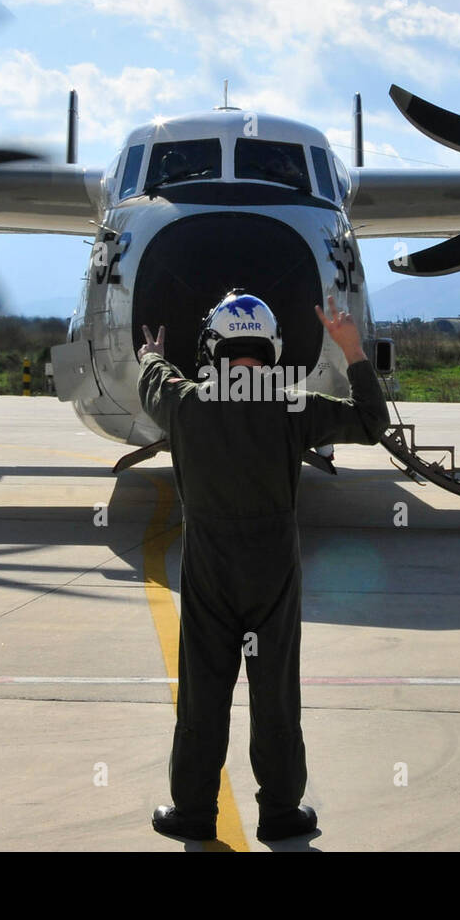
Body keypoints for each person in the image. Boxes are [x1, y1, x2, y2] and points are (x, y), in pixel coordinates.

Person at [137, 290, 390, 842]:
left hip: (208, 570)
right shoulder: (293, 404)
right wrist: (352, 350)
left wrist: (153, 353)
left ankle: (195, 811)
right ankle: (280, 812)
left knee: (204, 691)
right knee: (275, 692)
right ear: (271, 344)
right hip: (273, 569)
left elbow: (153, 381)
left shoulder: (185, 402)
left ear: (213, 344)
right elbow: (372, 423)